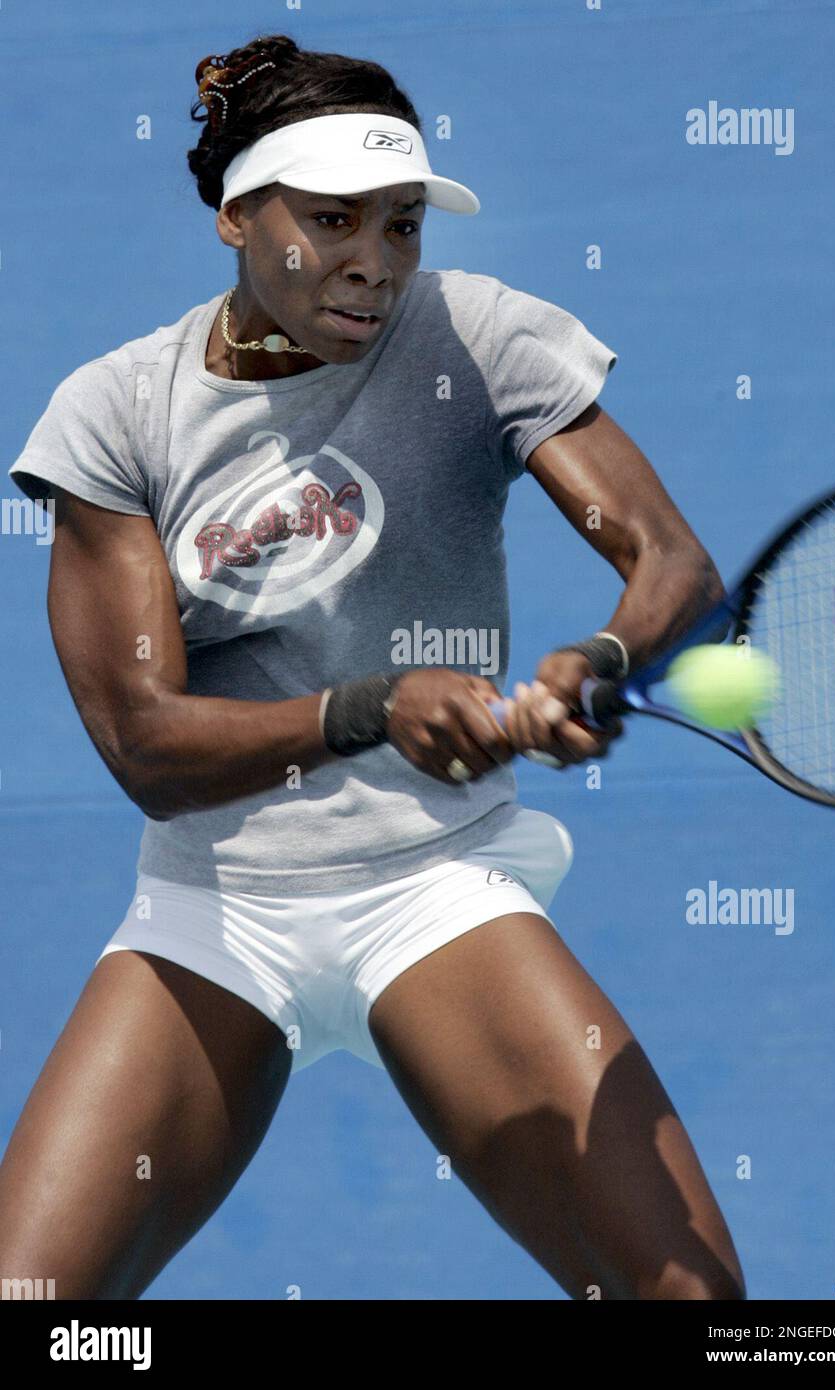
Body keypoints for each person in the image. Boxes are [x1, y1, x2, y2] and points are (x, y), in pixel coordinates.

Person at [0, 33, 745, 1301]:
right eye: (333, 220)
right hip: (217, 909)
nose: (377, 265)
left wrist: (600, 657)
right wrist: (367, 709)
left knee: (698, 1309)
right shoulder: (117, 414)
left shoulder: (483, 338)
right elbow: (146, 744)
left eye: (402, 226)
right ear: (237, 216)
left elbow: (674, 563)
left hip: (435, 884)